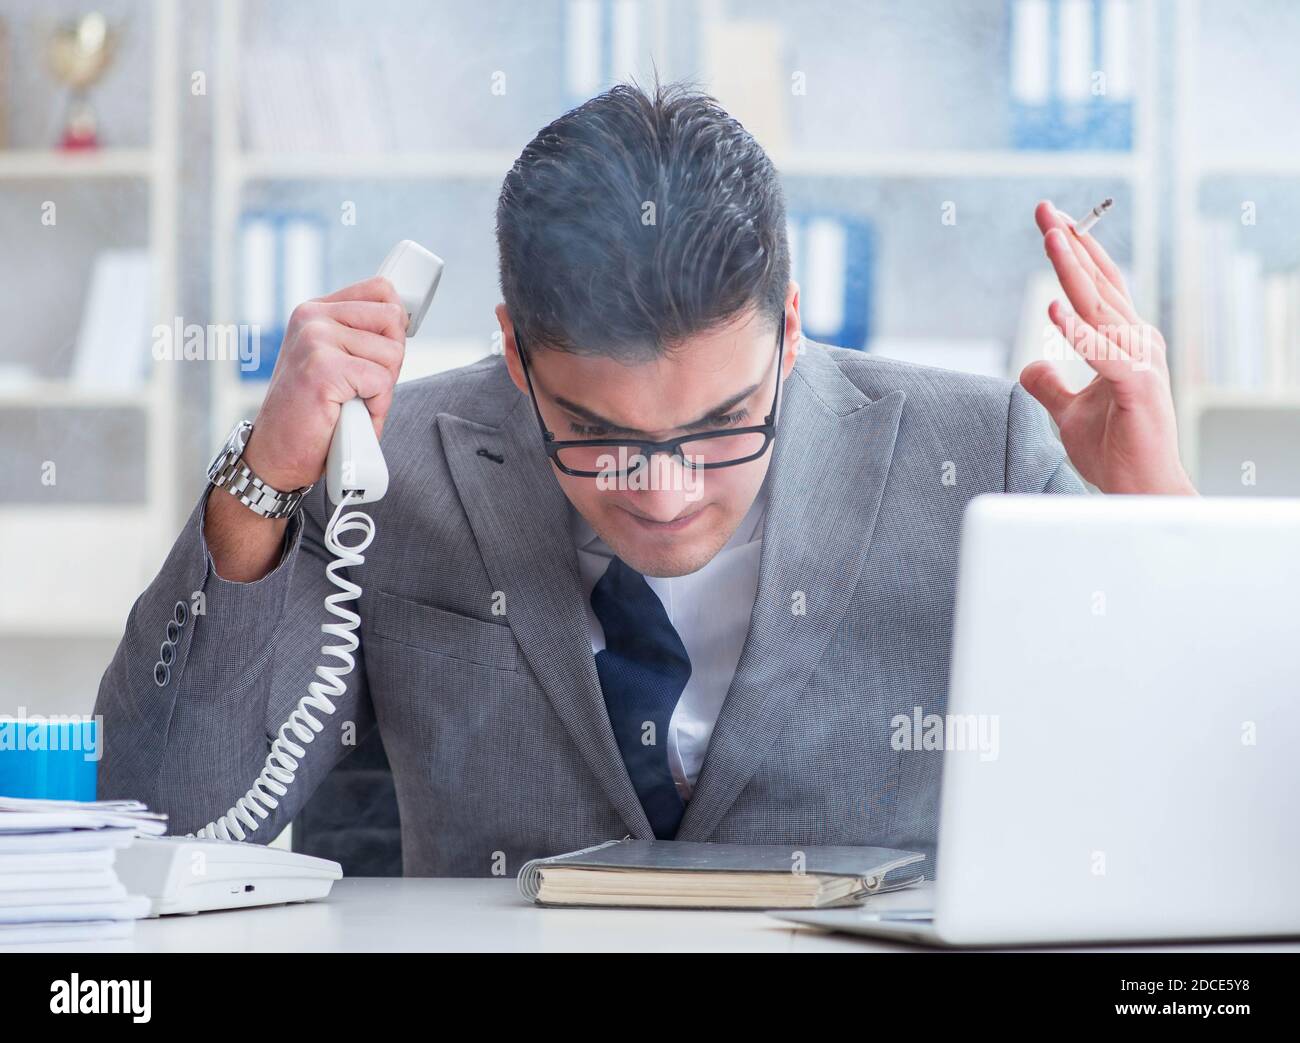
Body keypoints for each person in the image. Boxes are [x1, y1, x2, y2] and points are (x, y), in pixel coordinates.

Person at [95, 83, 1193, 876]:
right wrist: (267, 476)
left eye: (720, 425)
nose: (664, 492)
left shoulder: (977, 456)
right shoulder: (396, 462)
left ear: (792, 330)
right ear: (514, 354)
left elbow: (1192, 812)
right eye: (596, 431)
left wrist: (1159, 515)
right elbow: (156, 823)